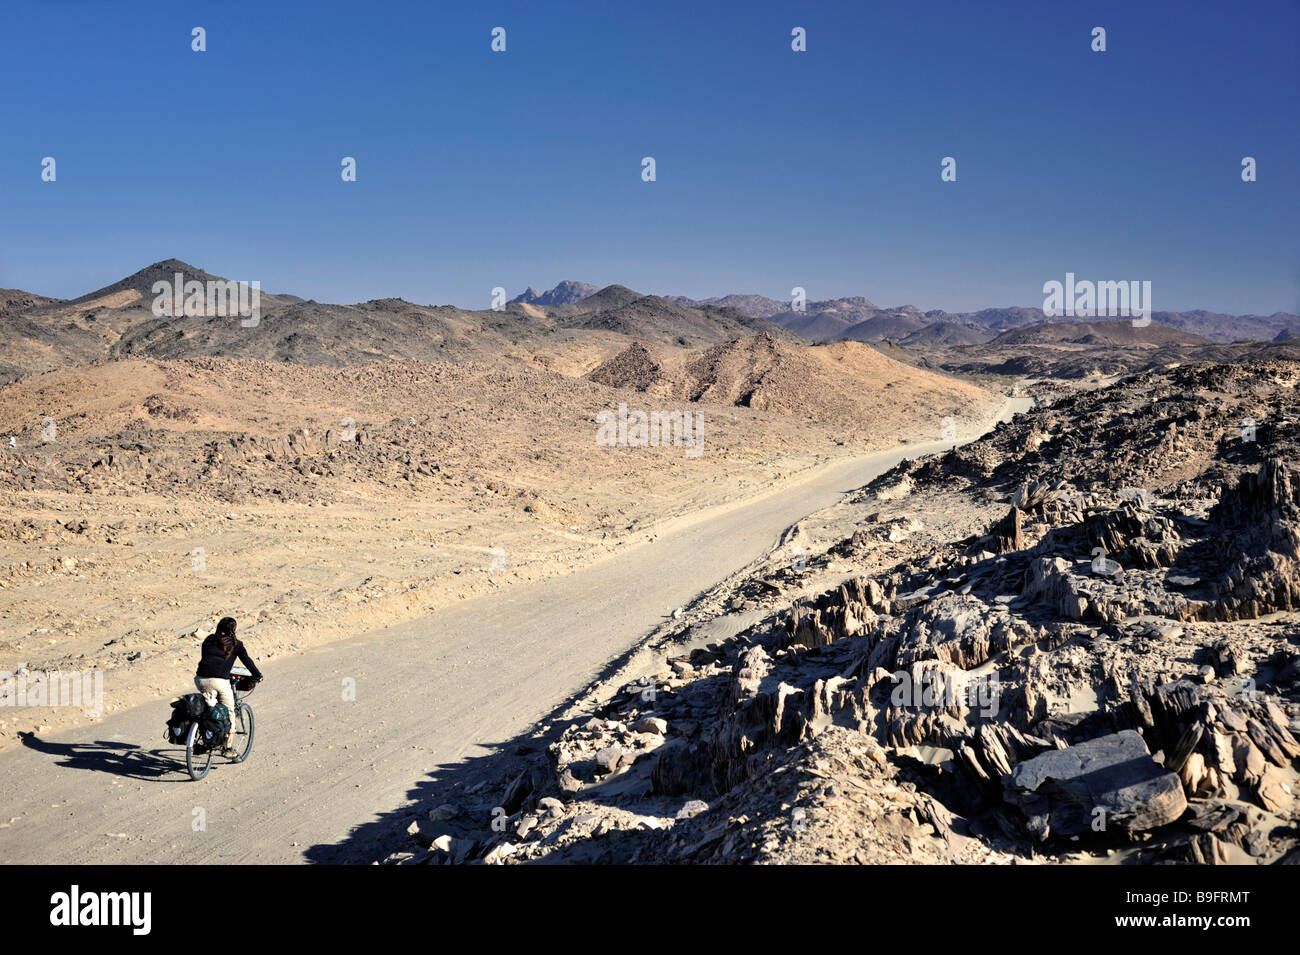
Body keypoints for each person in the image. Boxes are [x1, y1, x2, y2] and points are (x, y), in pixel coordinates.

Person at [195, 617, 262, 757]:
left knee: (208, 707)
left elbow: (207, 660)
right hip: (219, 681)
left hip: (200, 679)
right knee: (229, 711)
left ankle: (201, 740)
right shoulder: (236, 644)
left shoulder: (208, 640)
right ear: (233, 630)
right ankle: (228, 749)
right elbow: (247, 662)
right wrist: (258, 675)